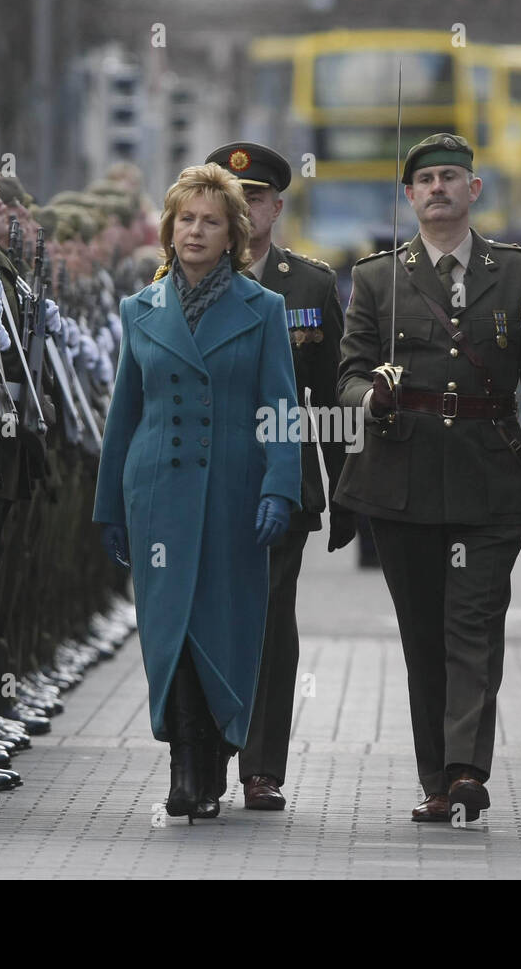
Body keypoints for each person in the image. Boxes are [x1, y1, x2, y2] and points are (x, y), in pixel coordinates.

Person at [335, 134, 521, 824]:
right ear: (408, 197)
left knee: (473, 624)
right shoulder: (379, 278)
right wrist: (368, 399)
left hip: (488, 479)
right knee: (424, 638)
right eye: (425, 180)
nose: (438, 187)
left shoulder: (520, 274)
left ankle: (469, 769)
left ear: (475, 190)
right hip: (401, 480)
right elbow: (347, 374)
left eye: (451, 177)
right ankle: (436, 779)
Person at [93, 162, 301, 823]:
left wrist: (280, 487)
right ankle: (186, 768)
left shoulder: (262, 308)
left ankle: (210, 765)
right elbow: (124, 412)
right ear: (169, 228)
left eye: (212, 221)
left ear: (233, 233)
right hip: (157, 490)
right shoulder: (140, 309)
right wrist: (108, 507)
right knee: (169, 630)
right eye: (187, 219)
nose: (197, 231)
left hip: (232, 493)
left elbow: (282, 408)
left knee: (223, 627)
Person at [204, 141, 354, 811]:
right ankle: (206, 753)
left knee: (269, 619)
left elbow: (330, 395)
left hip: (282, 477)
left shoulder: (312, 285)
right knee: (207, 618)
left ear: (276, 206)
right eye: (234, 201)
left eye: (257, 199)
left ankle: (260, 766)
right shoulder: (186, 275)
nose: (248, 211)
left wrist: (349, 487)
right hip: (205, 479)